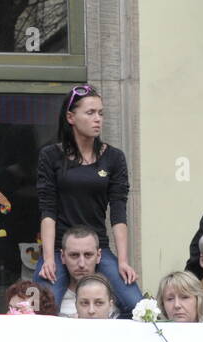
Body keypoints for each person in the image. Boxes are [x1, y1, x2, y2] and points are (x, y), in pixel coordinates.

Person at [36, 84, 143, 317]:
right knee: (38, 309)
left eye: (101, 113)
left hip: (98, 248)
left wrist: (123, 260)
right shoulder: (51, 156)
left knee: (138, 306)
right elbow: (47, 210)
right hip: (58, 249)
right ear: (71, 117)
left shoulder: (113, 158)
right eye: (90, 112)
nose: (98, 119)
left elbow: (118, 211)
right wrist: (47, 259)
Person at [53, 227, 103, 318]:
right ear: (63, 256)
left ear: (98, 256)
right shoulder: (53, 298)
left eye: (88, 255)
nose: (81, 264)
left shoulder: (116, 299)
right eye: (74, 255)